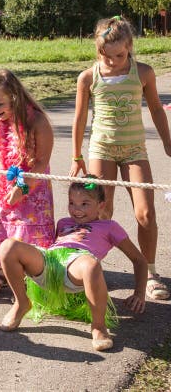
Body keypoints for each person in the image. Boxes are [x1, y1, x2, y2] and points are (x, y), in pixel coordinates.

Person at [70, 16, 171, 301]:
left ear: (129, 47)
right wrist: (77, 156)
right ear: (97, 49)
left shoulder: (144, 73)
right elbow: (78, 119)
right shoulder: (88, 77)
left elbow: (156, 110)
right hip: (101, 149)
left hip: (135, 150)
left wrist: (167, 141)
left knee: (146, 212)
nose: (113, 61)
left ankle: (150, 272)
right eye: (106, 55)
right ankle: (93, 268)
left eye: (119, 54)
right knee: (101, 212)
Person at [0, 179, 147, 352]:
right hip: (50, 262)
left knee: (90, 265)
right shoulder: (63, 223)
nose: (76, 209)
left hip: (78, 267)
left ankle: (98, 326)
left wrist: (139, 293)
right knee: (8, 247)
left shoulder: (110, 227)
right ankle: (21, 303)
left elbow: (139, 259)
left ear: (101, 205)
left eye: (84, 204)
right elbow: (52, 248)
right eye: (72, 203)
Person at [0, 69, 55, 296]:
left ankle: (31, 278)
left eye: (0, 104)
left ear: (14, 97)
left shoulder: (37, 121)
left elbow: (42, 162)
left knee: (24, 232)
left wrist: (22, 188)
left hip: (31, 187)